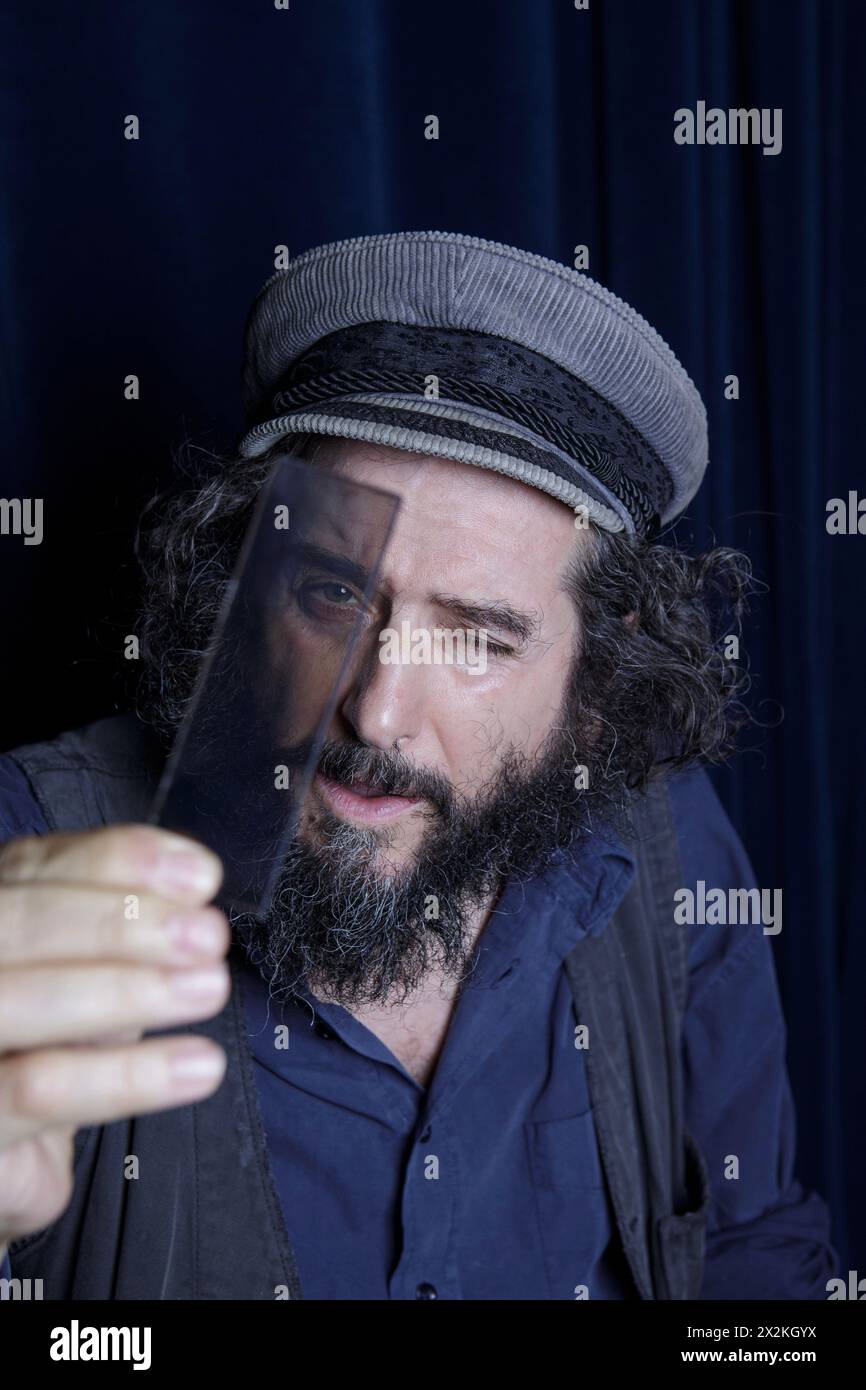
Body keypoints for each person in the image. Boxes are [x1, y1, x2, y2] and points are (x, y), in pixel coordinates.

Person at [0, 231, 838, 1300]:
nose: (377, 710)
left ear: (593, 685)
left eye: (477, 638)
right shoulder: (32, 853)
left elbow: (754, 1248)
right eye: (332, 595)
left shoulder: (670, 849)